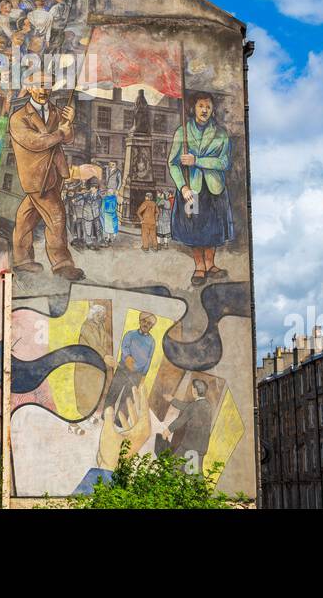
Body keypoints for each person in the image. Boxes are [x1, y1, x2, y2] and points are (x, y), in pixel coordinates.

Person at [7, 74, 84, 282]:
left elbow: (68, 138)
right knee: (56, 217)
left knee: (26, 218)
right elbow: (34, 142)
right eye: (39, 86)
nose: (43, 90)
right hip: (35, 177)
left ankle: (22, 261)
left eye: (47, 86)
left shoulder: (56, 112)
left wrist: (69, 123)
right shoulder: (18, 118)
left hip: (54, 175)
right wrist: (60, 132)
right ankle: (62, 265)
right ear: (29, 89)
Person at [168, 92, 235, 285]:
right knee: (194, 228)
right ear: (193, 108)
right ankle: (199, 266)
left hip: (214, 189)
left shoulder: (221, 133)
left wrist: (197, 161)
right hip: (192, 190)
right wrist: (183, 188)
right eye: (201, 106)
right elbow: (173, 163)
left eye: (208, 106)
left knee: (214, 228)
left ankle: (210, 264)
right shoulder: (183, 132)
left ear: (212, 109)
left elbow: (224, 163)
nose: (204, 110)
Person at [104, 312, 157, 413]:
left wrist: (144, 375)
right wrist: (128, 357)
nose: (146, 324)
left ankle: (120, 422)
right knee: (113, 392)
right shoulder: (130, 334)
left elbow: (149, 359)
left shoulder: (152, 342)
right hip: (123, 368)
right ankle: (106, 415)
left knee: (128, 398)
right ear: (139, 321)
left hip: (137, 374)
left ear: (152, 326)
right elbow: (124, 347)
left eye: (149, 323)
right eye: (144, 321)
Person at [157, 379, 213, 465]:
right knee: (193, 473)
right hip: (201, 448)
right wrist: (172, 400)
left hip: (189, 446)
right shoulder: (207, 405)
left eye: (192, 389)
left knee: (174, 468)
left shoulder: (194, 406)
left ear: (194, 390)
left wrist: (167, 431)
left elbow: (180, 420)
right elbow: (188, 408)